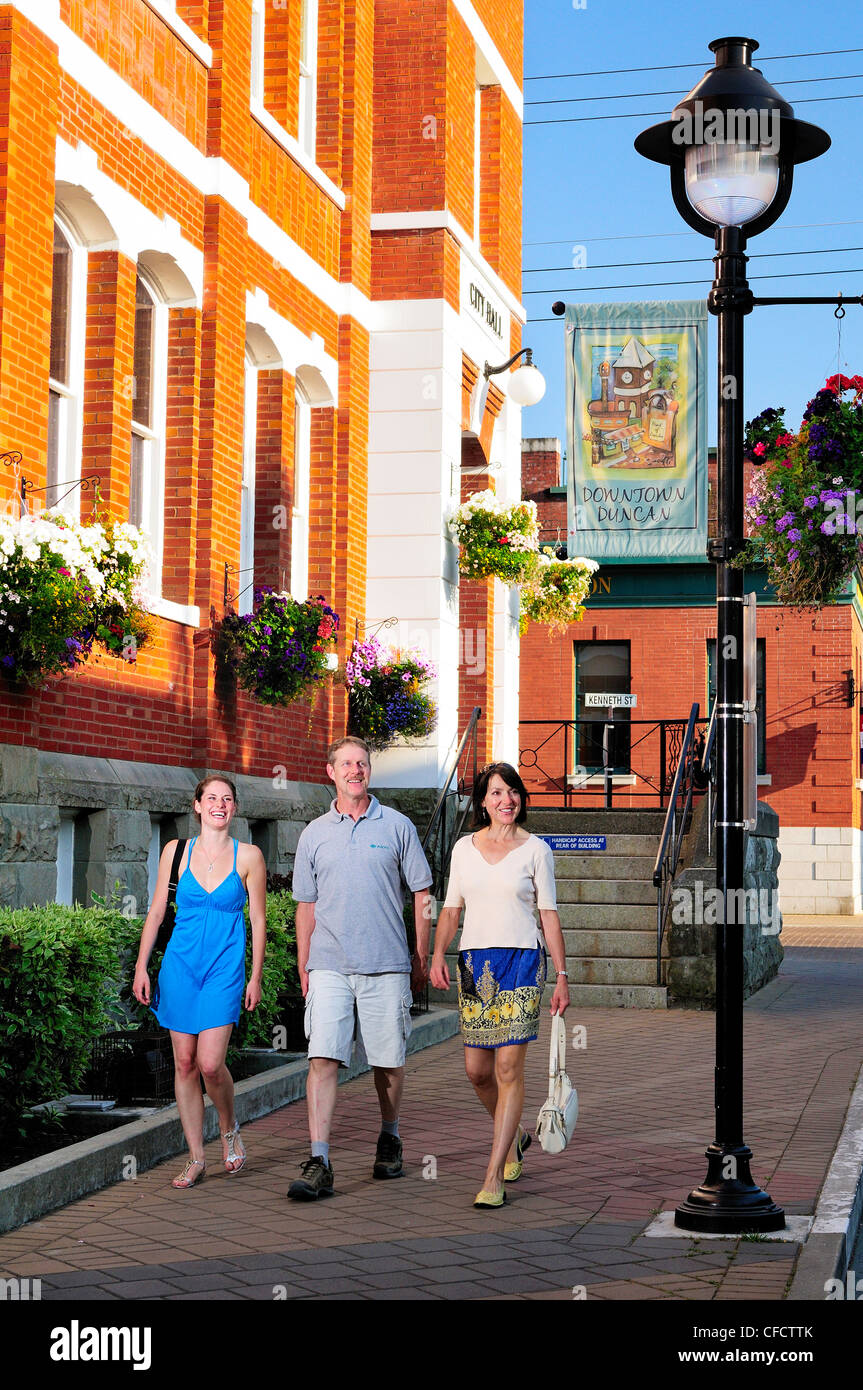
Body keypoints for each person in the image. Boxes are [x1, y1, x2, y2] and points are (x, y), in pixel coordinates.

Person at [287, 736, 433, 1200]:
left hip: (386, 964)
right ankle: (320, 1160)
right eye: (347, 763)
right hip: (329, 964)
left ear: (369, 770)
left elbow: (422, 894)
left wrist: (421, 955)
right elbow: (306, 906)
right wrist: (304, 963)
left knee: (388, 1063)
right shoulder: (314, 834)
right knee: (322, 1058)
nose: (356, 770)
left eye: (362, 763)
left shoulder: (397, 826)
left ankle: (390, 1135)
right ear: (330, 772)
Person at [430, 762, 569, 1208]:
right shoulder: (463, 849)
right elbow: (451, 908)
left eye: (512, 791)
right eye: (496, 792)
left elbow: (548, 914)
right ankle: (516, 1135)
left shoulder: (536, 850)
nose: (506, 800)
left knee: (509, 1069)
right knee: (477, 1071)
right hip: (476, 965)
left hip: (522, 962)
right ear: (483, 802)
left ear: (521, 798)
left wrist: (562, 975)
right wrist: (437, 954)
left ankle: (494, 1176)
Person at [133, 776, 267, 1187]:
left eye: (226, 799)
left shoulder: (249, 856)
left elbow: (258, 920)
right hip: (179, 969)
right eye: (211, 798)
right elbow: (157, 912)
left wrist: (256, 976)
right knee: (185, 1063)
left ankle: (229, 1129)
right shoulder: (175, 851)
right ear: (197, 805)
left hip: (224, 971)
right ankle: (195, 1157)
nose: (219, 804)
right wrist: (141, 967)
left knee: (210, 1063)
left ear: (235, 807)